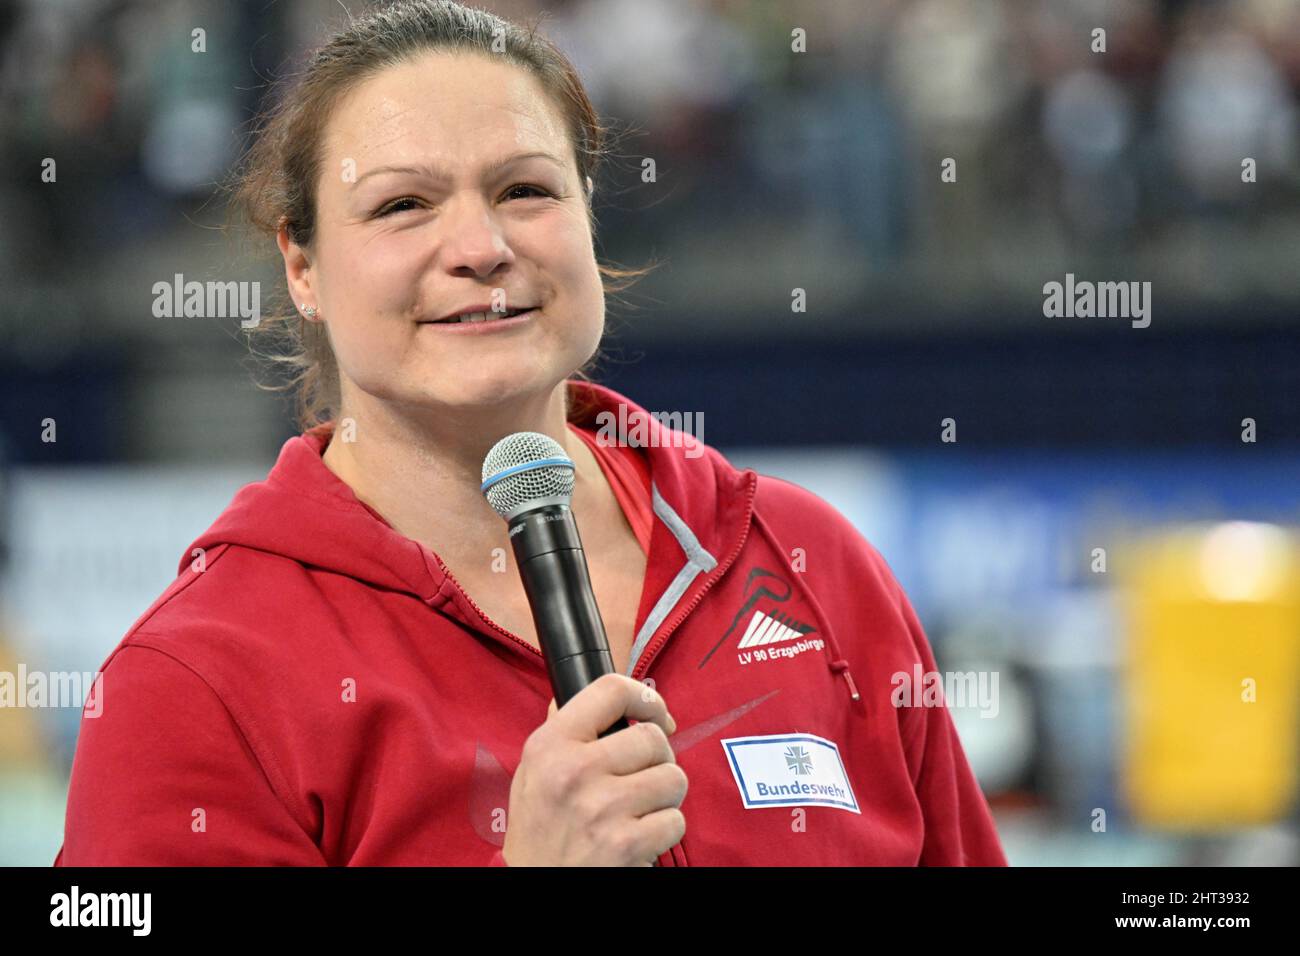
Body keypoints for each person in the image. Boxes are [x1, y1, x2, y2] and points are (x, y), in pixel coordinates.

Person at [54, 0, 1007, 867]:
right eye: (402, 205)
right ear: (301, 265)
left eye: (525, 189)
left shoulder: (810, 567)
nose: (481, 247)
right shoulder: (195, 686)